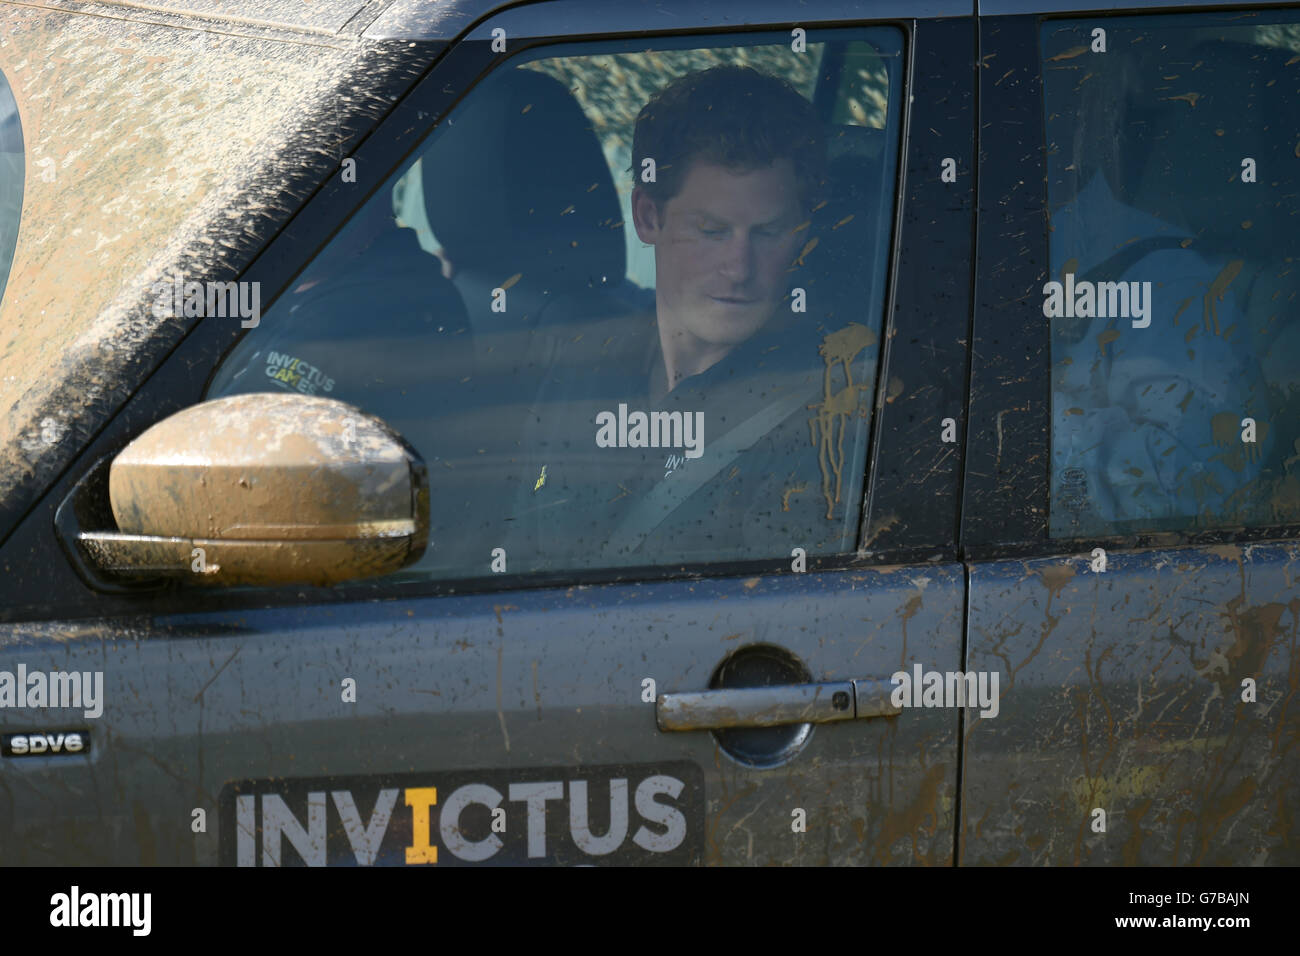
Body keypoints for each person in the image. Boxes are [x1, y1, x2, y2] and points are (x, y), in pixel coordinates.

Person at [506, 65, 866, 569]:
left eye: (768, 233)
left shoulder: (831, 416)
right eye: (712, 231)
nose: (738, 269)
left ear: (803, 232)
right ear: (649, 217)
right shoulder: (580, 366)